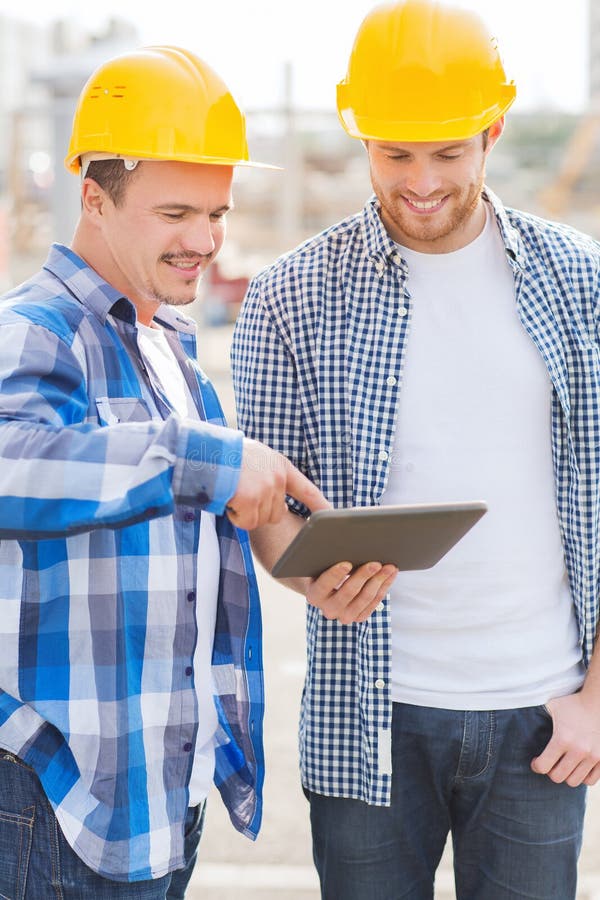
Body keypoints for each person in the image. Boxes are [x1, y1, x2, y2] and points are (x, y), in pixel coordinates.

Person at [231, 2, 600, 898]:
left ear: (492, 131)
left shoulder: (582, 281)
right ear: (363, 136)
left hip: (541, 720)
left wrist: (597, 700)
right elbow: (266, 508)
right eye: (397, 153)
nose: (421, 181)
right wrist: (302, 572)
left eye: (447, 153)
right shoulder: (289, 296)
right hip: (368, 714)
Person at [0, 45, 328, 898]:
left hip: (160, 796)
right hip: (55, 795)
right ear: (94, 198)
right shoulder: (36, 331)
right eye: (176, 212)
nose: (206, 241)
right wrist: (207, 457)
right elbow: (11, 468)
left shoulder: (173, 351)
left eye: (217, 212)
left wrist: (309, 563)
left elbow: (200, 516)